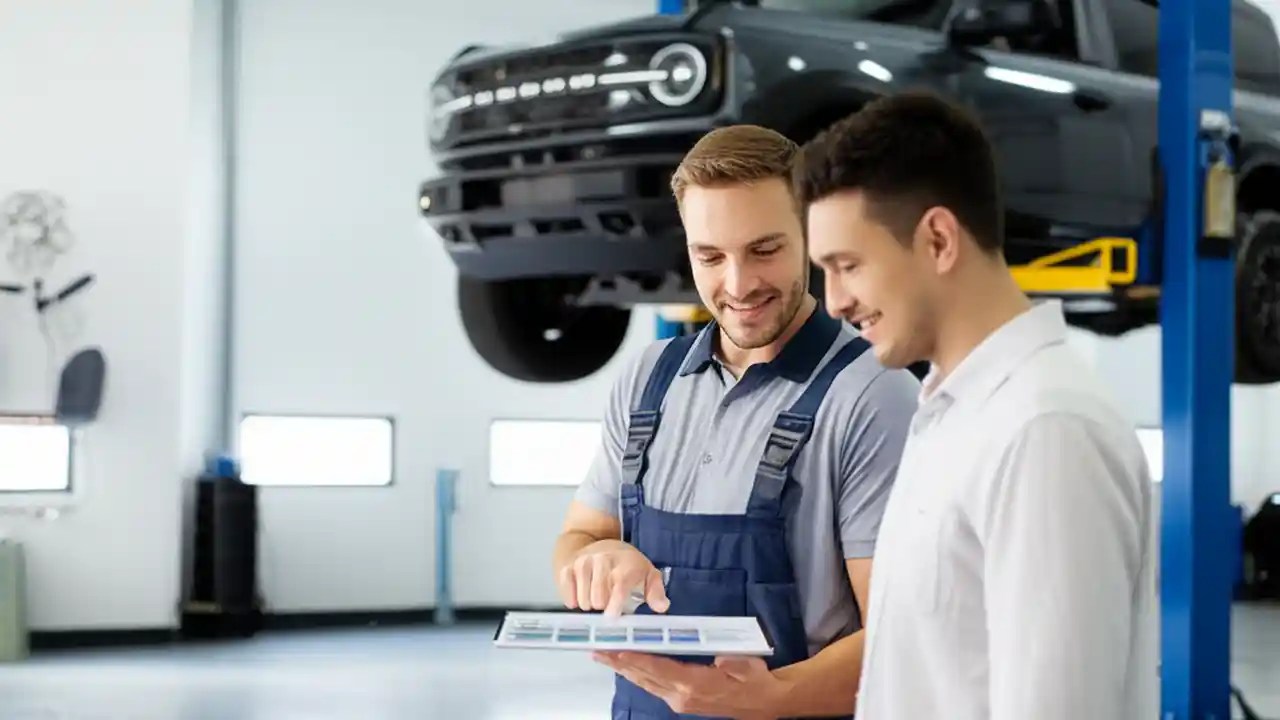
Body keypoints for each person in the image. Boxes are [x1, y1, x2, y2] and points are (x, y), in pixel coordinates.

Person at [796, 91, 1159, 720]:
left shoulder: (1045, 431)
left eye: (847, 265)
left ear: (938, 239)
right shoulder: (953, 413)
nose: (833, 302)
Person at [551, 124, 919, 719]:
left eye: (765, 250)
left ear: (810, 236)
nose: (739, 284)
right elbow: (579, 537)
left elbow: (905, 642)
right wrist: (593, 563)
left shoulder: (874, 396)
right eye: (711, 256)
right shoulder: (648, 381)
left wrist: (770, 698)